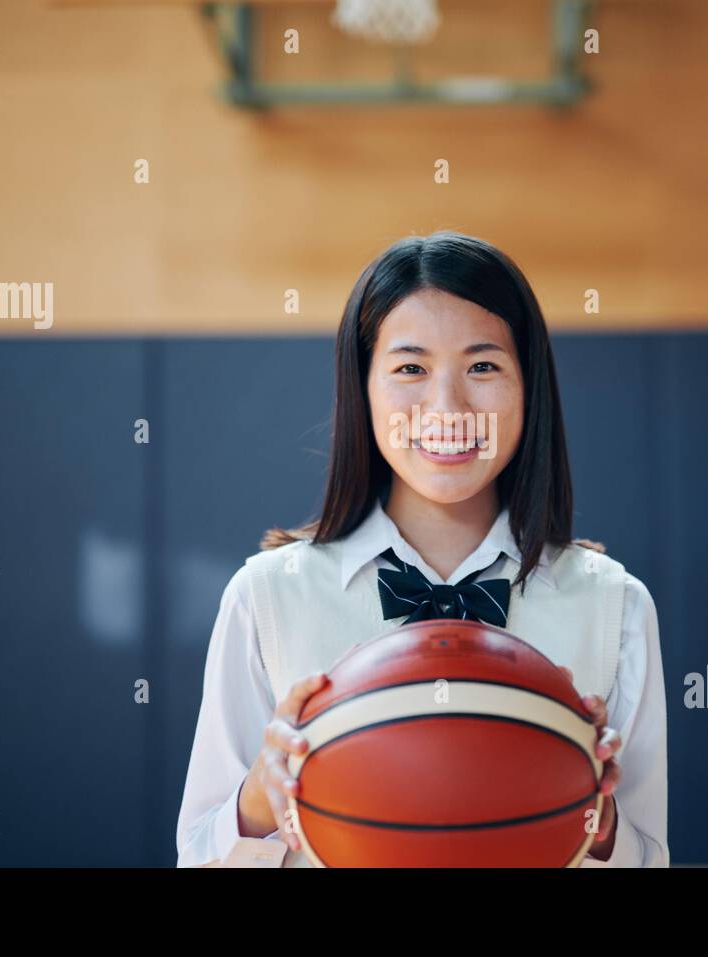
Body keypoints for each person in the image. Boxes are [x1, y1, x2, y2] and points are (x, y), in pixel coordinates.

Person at [176, 231, 668, 867]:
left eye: (483, 366)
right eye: (411, 367)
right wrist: (263, 797)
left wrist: (595, 826)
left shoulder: (614, 608)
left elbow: (651, 861)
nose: (447, 406)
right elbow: (197, 858)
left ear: (530, 388)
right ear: (365, 387)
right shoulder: (267, 596)